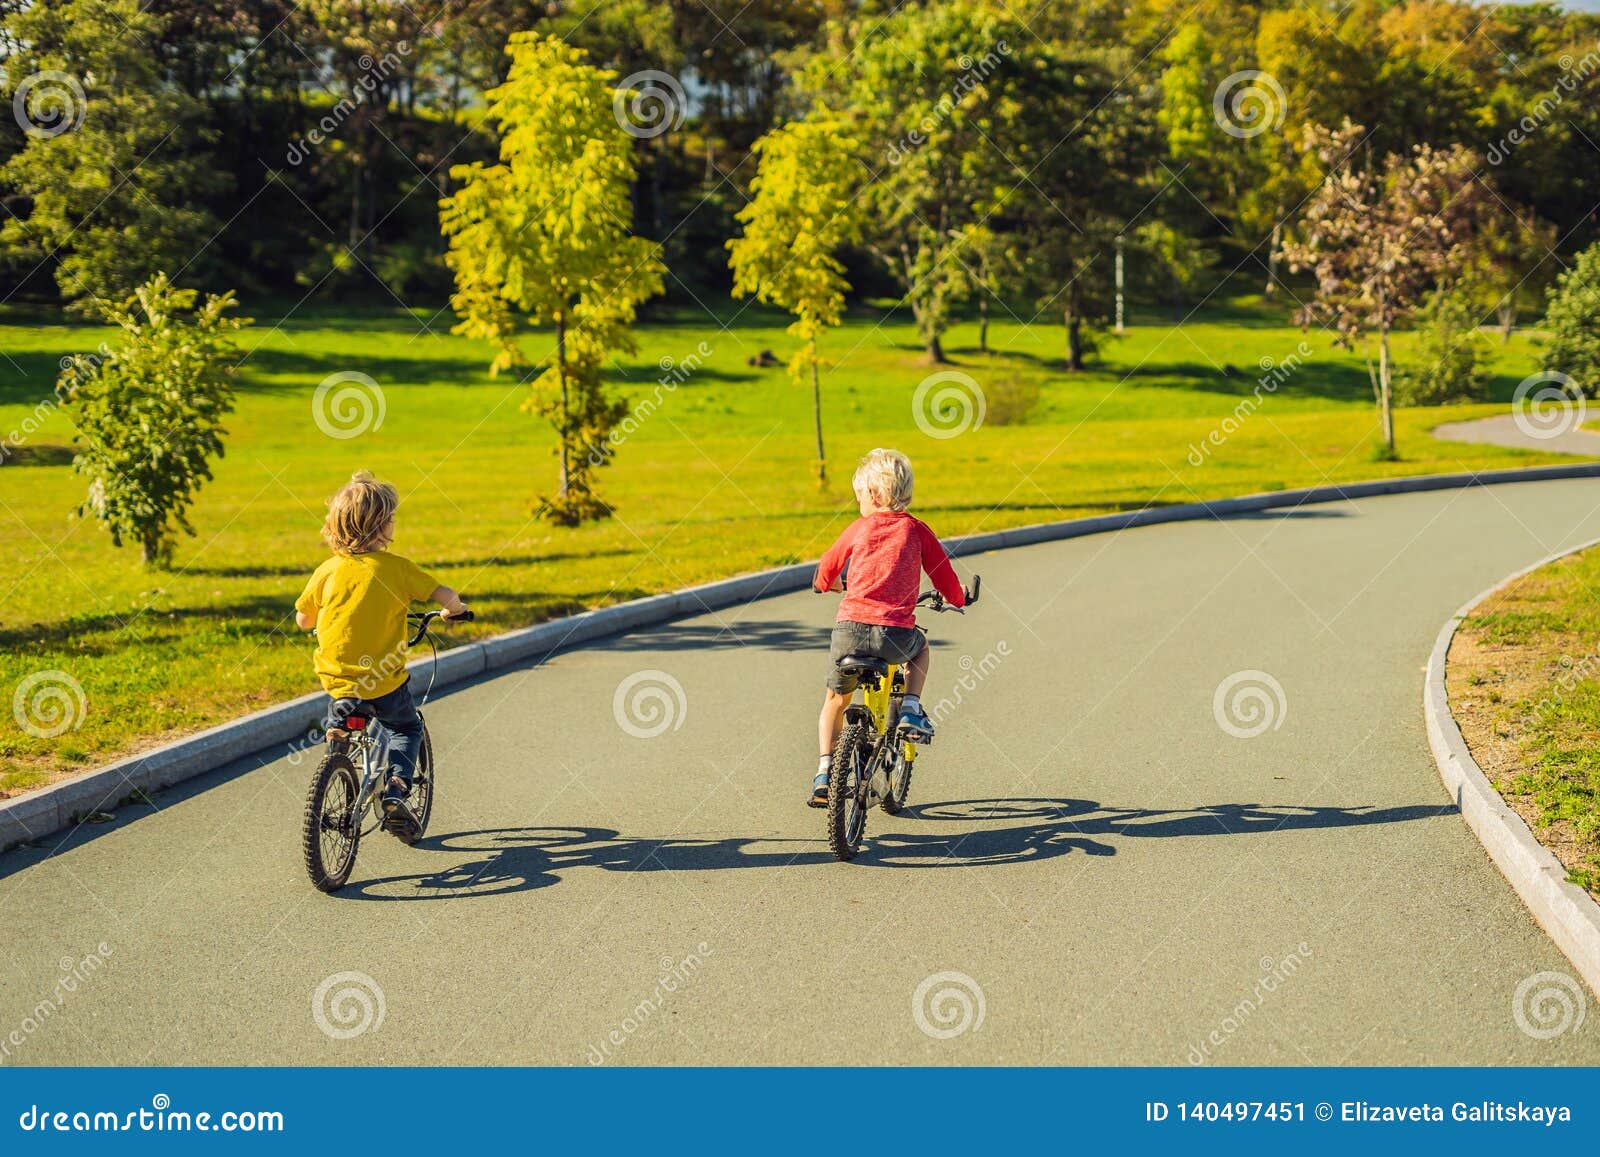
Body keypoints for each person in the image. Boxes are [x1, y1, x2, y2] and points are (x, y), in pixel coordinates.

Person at [294, 472, 469, 832]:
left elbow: (302, 618)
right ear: (381, 526)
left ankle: (337, 746)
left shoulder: (327, 570)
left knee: (344, 710)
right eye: (391, 518)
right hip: (383, 681)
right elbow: (442, 594)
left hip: (339, 678)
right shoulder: (398, 569)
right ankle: (396, 790)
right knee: (406, 727)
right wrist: (455, 607)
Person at [809, 448, 965, 807]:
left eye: (860, 495)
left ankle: (823, 772)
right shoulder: (917, 530)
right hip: (894, 636)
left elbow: (827, 568)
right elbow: (943, 575)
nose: (858, 502)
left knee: (835, 700)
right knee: (922, 648)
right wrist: (957, 599)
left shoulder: (858, 528)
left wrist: (824, 584)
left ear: (875, 495)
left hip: (848, 631)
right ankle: (910, 706)